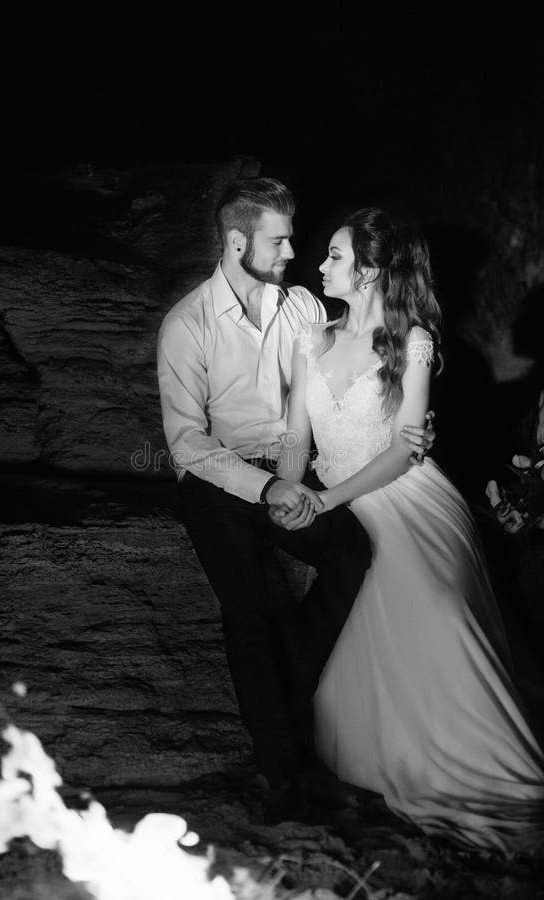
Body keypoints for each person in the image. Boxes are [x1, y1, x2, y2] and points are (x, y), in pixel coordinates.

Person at [156, 179, 434, 822]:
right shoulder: (186, 326)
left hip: (290, 471)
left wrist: (409, 427)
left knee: (353, 554)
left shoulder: (304, 308)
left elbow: (355, 362)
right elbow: (187, 444)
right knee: (248, 610)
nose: (291, 251)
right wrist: (268, 487)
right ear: (236, 242)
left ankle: (296, 688)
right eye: (277, 240)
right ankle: (282, 776)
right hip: (217, 480)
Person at [274, 207, 544, 854]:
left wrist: (327, 499)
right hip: (326, 494)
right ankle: (369, 764)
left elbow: (404, 449)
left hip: (399, 496)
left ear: (368, 272)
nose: (319, 265)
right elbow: (293, 434)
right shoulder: (310, 339)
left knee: (436, 611)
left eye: (334, 256)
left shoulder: (412, 339)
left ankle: (475, 772)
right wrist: (287, 488)